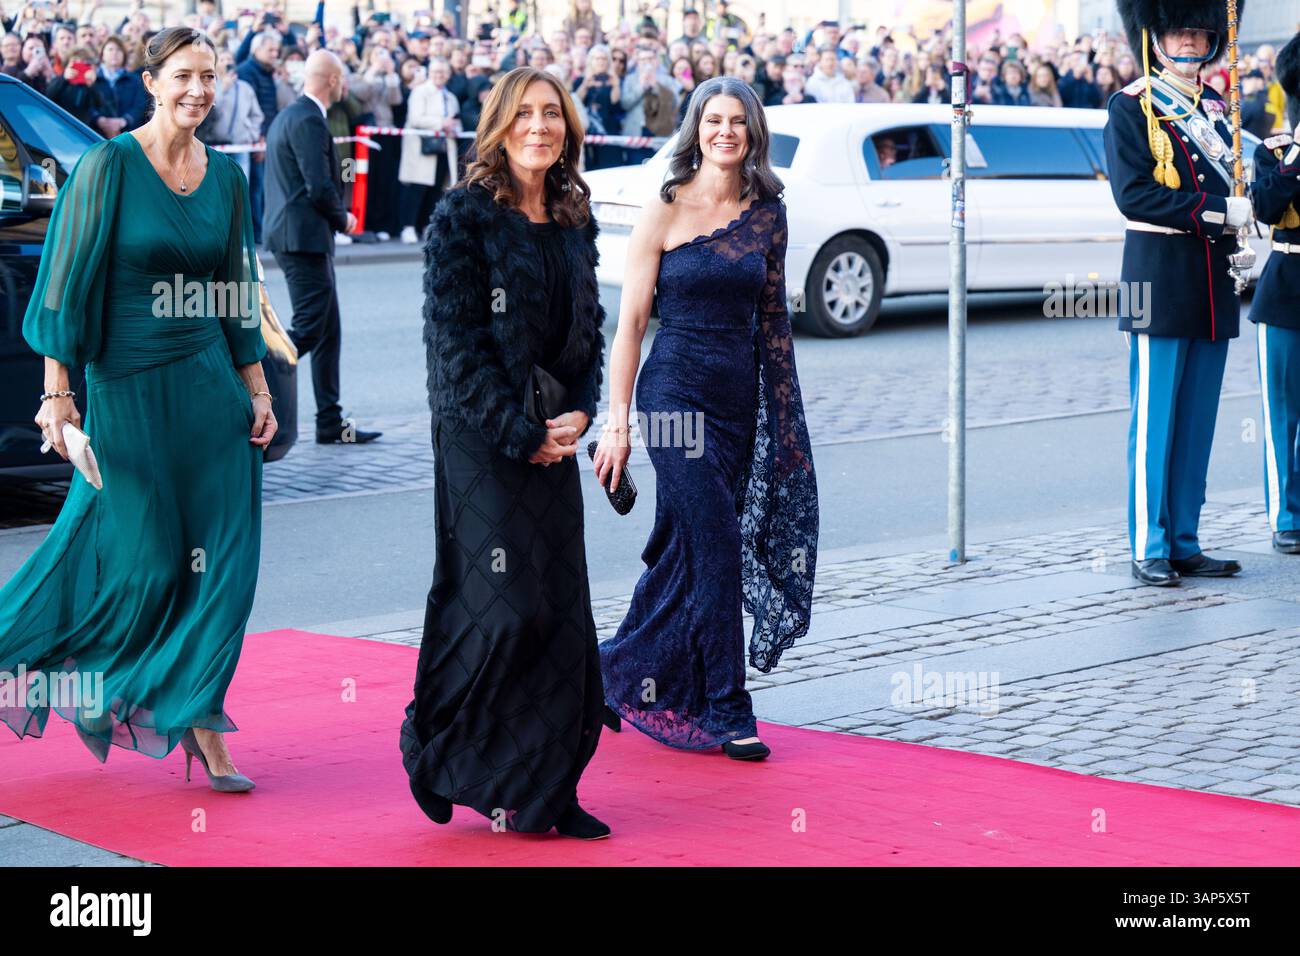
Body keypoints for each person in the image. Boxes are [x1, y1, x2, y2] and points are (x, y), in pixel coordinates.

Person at [0, 27, 275, 789]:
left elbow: (236, 292)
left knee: (225, 567)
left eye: (209, 77)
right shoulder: (107, 168)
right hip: (128, 389)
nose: (198, 90)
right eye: (184, 75)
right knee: (142, 564)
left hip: (212, 393)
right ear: (151, 82)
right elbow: (63, 285)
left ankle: (202, 722)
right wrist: (59, 394)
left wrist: (256, 391)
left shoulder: (225, 179)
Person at [399, 66, 610, 839]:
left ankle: (549, 789)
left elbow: (590, 325)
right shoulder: (463, 217)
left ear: (568, 129)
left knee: (559, 613)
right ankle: (437, 747)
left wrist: (580, 414)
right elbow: (456, 348)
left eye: (552, 114)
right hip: (482, 442)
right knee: (502, 610)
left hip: (552, 437)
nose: (539, 127)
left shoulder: (572, 215)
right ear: (498, 125)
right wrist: (521, 435)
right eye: (524, 114)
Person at [593, 76, 818, 760]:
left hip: (735, 404)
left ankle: (607, 671)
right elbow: (630, 324)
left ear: (753, 133)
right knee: (717, 536)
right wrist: (619, 421)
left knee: (688, 548)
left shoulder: (769, 212)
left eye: (737, 122)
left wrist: (782, 417)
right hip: (671, 397)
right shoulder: (663, 206)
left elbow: (774, 318)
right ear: (695, 129)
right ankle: (728, 706)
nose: (726, 131)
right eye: (713, 120)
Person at [1107, 0, 1251, 586]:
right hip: (1156, 276)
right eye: (1179, 32)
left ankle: (1185, 538)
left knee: (1196, 421)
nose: (1190, 44)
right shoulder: (1132, 105)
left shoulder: (1218, 107)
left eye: (1199, 33)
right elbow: (1134, 196)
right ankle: (1149, 543)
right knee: (1155, 419)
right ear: (1155, 35)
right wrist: (1220, 213)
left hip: (1212, 282)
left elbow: (1238, 184)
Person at [263, 49, 381, 445]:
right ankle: (253, 383)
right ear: (332, 80)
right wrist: (343, 218)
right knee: (311, 327)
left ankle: (330, 421)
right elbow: (318, 185)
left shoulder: (292, 115)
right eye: (342, 78)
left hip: (299, 236)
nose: (344, 85)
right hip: (303, 238)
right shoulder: (309, 119)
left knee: (329, 329)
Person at [1247, 33, 1300, 553]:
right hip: (1286, 287)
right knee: (1282, 412)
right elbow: (1263, 207)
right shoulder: (1276, 151)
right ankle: (1286, 516)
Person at [398, 56, 460, 244]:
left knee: (435, 189)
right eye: (435, 72)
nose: (439, 76)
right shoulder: (420, 92)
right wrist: (441, 123)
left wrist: (454, 128)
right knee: (416, 188)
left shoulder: (451, 97)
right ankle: (408, 227)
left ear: (448, 75)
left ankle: (427, 226)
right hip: (421, 148)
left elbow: (456, 120)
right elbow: (416, 118)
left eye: (442, 72)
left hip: (443, 148)